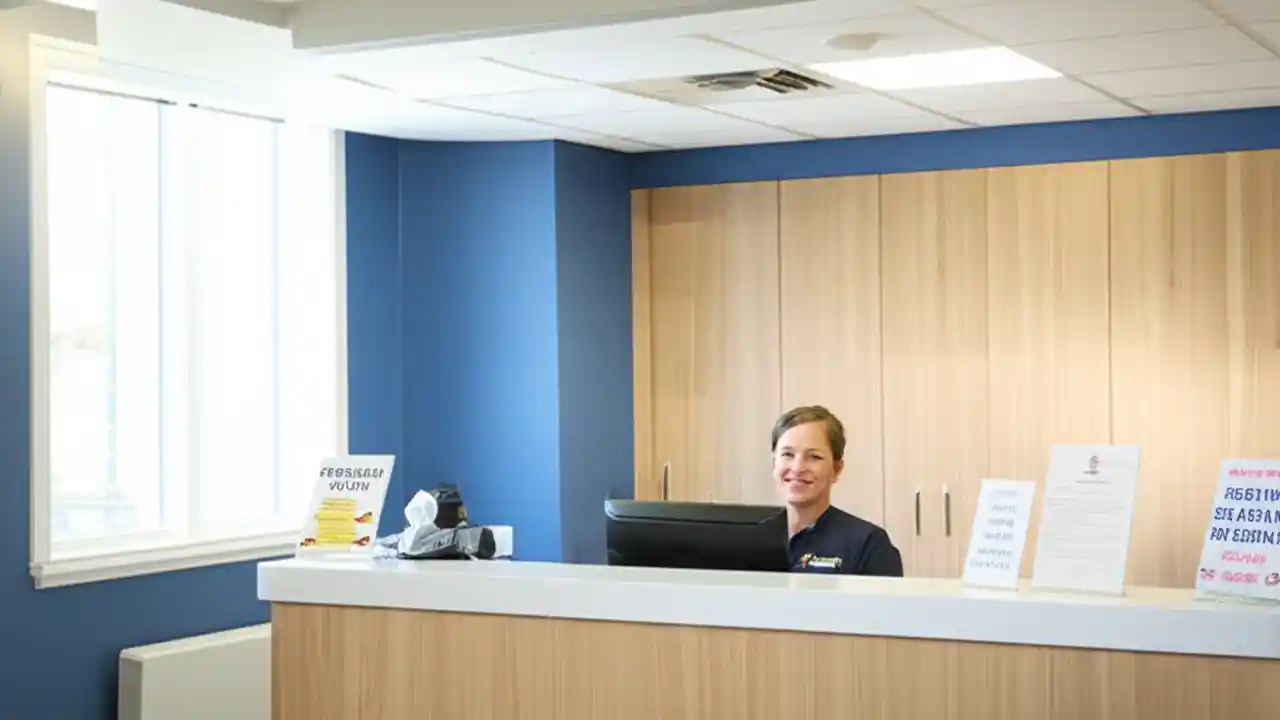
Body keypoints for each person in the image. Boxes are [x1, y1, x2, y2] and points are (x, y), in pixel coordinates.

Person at [772, 405, 903, 576]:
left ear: (837, 469)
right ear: (773, 463)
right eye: (787, 455)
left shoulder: (868, 544)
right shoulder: (752, 538)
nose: (797, 468)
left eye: (814, 457)